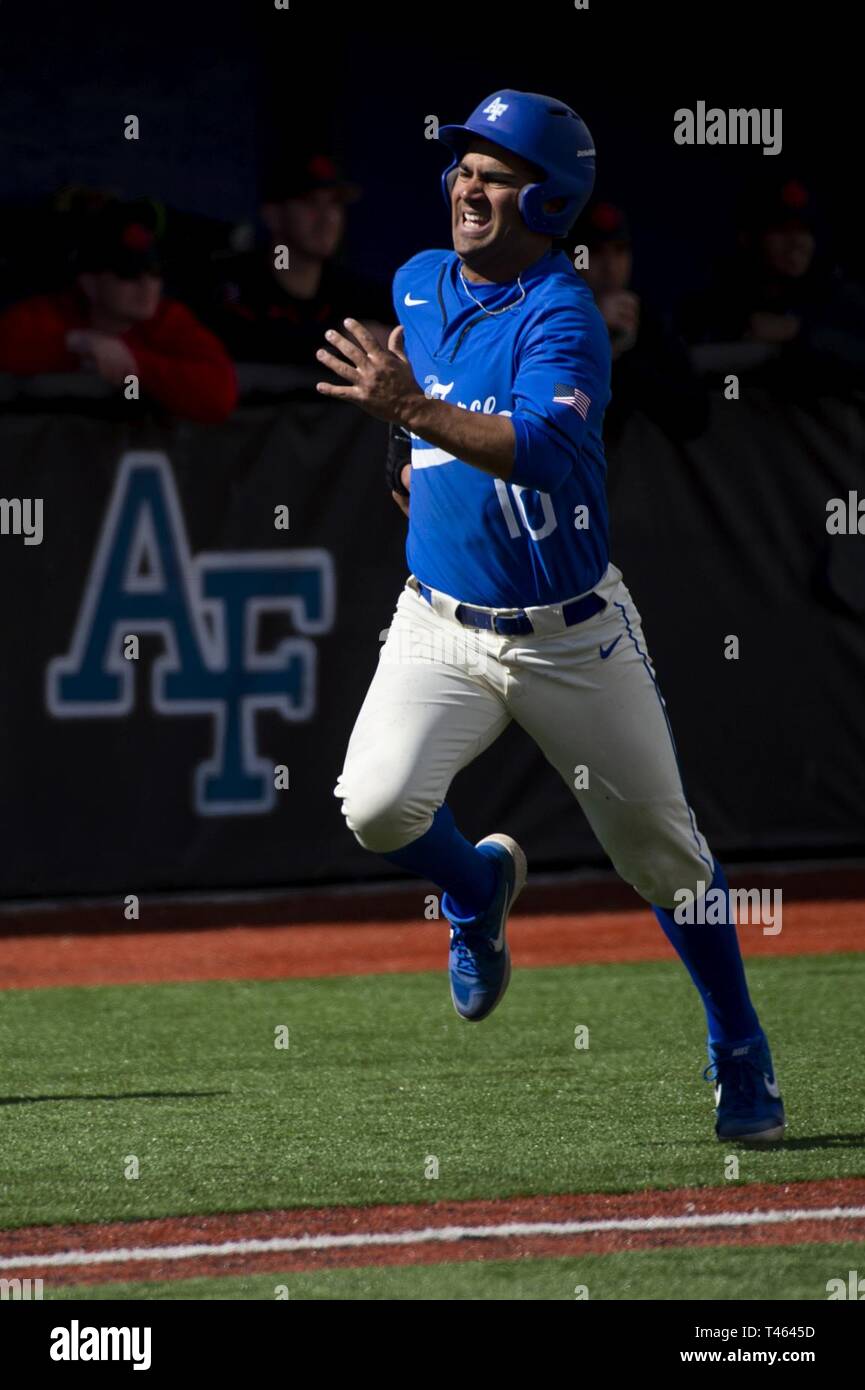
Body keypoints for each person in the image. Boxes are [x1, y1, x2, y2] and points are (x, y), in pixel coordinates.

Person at [317, 90, 785, 1144]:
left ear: (549, 195)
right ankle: (477, 888)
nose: (466, 184)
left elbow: (540, 445)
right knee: (376, 807)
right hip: (440, 620)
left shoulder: (563, 313)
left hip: (570, 635)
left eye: (493, 171)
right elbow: (427, 406)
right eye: (463, 166)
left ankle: (739, 1043)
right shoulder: (417, 282)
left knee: (666, 860)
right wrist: (412, 455)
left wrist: (414, 416)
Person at [0, 199, 237, 423]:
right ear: (90, 284)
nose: (147, 287)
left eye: (154, 272)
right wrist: (76, 344)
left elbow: (219, 396)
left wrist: (133, 363)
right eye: (129, 274)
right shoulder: (54, 312)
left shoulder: (167, 319)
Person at [202, 152, 394, 366]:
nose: (327, 217)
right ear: (273, 215)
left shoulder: (355, 294)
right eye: (310, 202)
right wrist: (338, 339)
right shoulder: (236, 283)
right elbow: (244, 341)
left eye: (334, 203)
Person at [679, 177, 865, 396]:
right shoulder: (714, 303)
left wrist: (797, 332)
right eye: (782, 229)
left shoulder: (841, 297)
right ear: (748, 238)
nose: (797, 241)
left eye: (805, 230)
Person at [576, 200, 708, 442]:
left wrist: (623, 357)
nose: (610, 267)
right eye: (594, 252)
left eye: (620, 250)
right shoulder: (542, 320)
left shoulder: (644, 317)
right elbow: (567, 412)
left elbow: (694, 417)